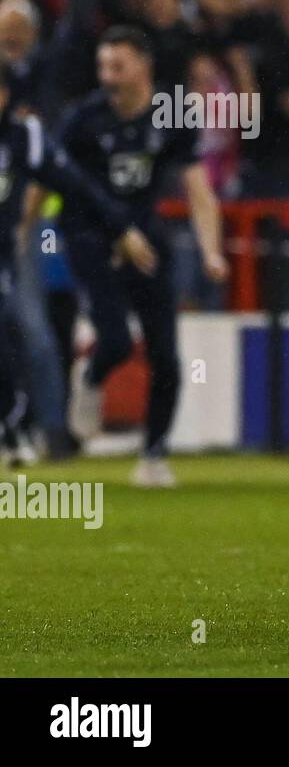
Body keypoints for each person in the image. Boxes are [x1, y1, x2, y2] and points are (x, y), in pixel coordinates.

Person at [53, 26, 228, 488]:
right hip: (91, 235)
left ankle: (153, 454)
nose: (107, 76)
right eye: (102, 66)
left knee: (166, 354)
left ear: (143, 66)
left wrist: (212, 250)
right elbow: (65, 185)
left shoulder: (171, 115)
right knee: (112, 339)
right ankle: (90, 379)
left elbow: (198, 189)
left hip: (146, 237)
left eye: (118, 66)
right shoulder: (82, 120)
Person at [0, 64, 156, 467]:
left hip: (5, 253)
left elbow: (73, 183)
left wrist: (119, 227)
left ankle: (26, 428)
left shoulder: (24, 137)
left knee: (25, 334)